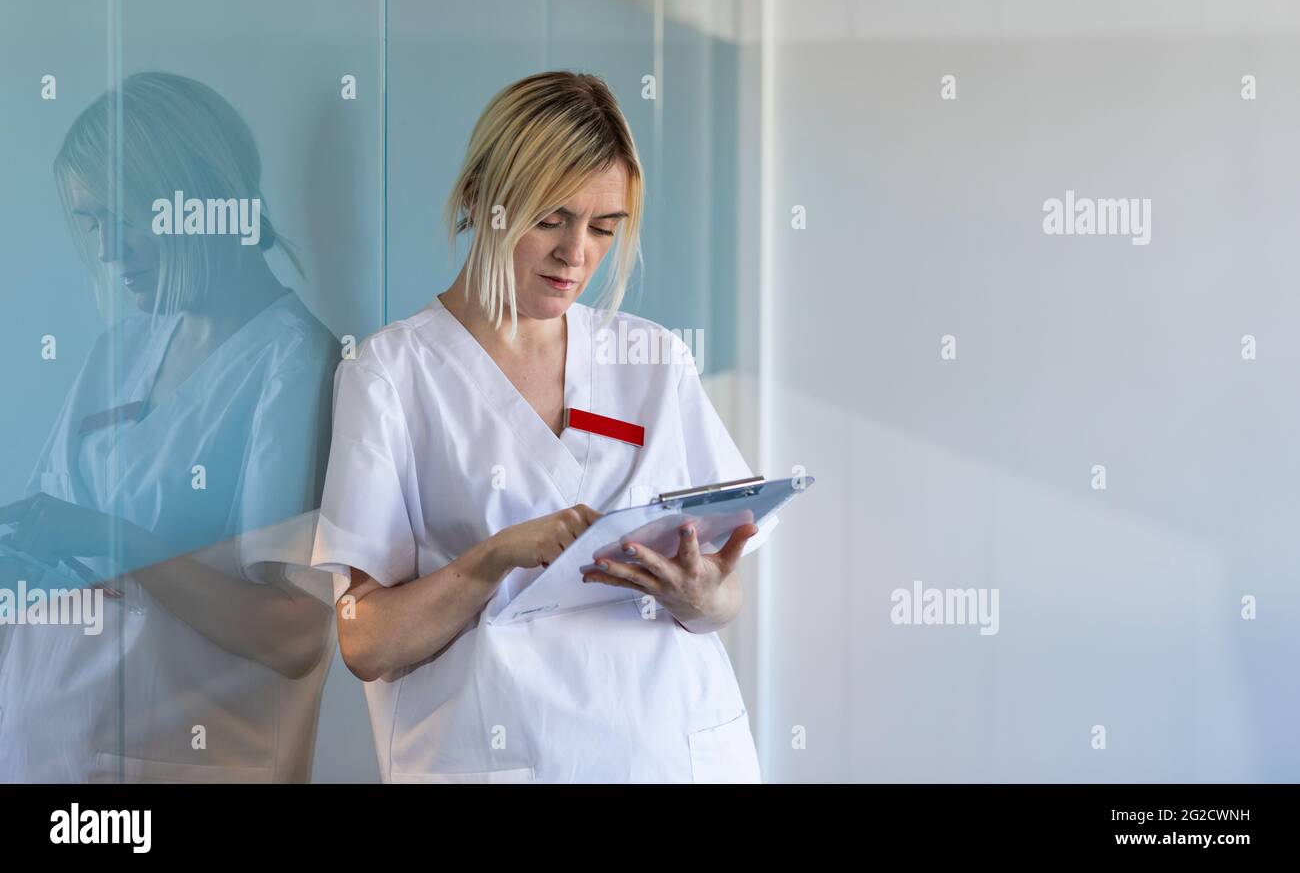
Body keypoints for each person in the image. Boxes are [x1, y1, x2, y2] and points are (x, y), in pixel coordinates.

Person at [311, 70, 774, 783]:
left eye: (603, 228)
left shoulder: (650, 356)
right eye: (550, 218)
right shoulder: (392, 374)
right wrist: (492, 558)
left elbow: (721, 595)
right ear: (479, 201)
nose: (577, 254)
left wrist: (702, 595)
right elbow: (365, 642)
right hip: (504, 757)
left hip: (672, 750)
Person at [0, 72, 338, 782]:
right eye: (92, 224)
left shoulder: (293, 364)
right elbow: (51, 552)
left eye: (124, 218)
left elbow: (293, 634)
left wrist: (115, 542)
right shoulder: (118, 352)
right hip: (48, 749)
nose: (108, 250)